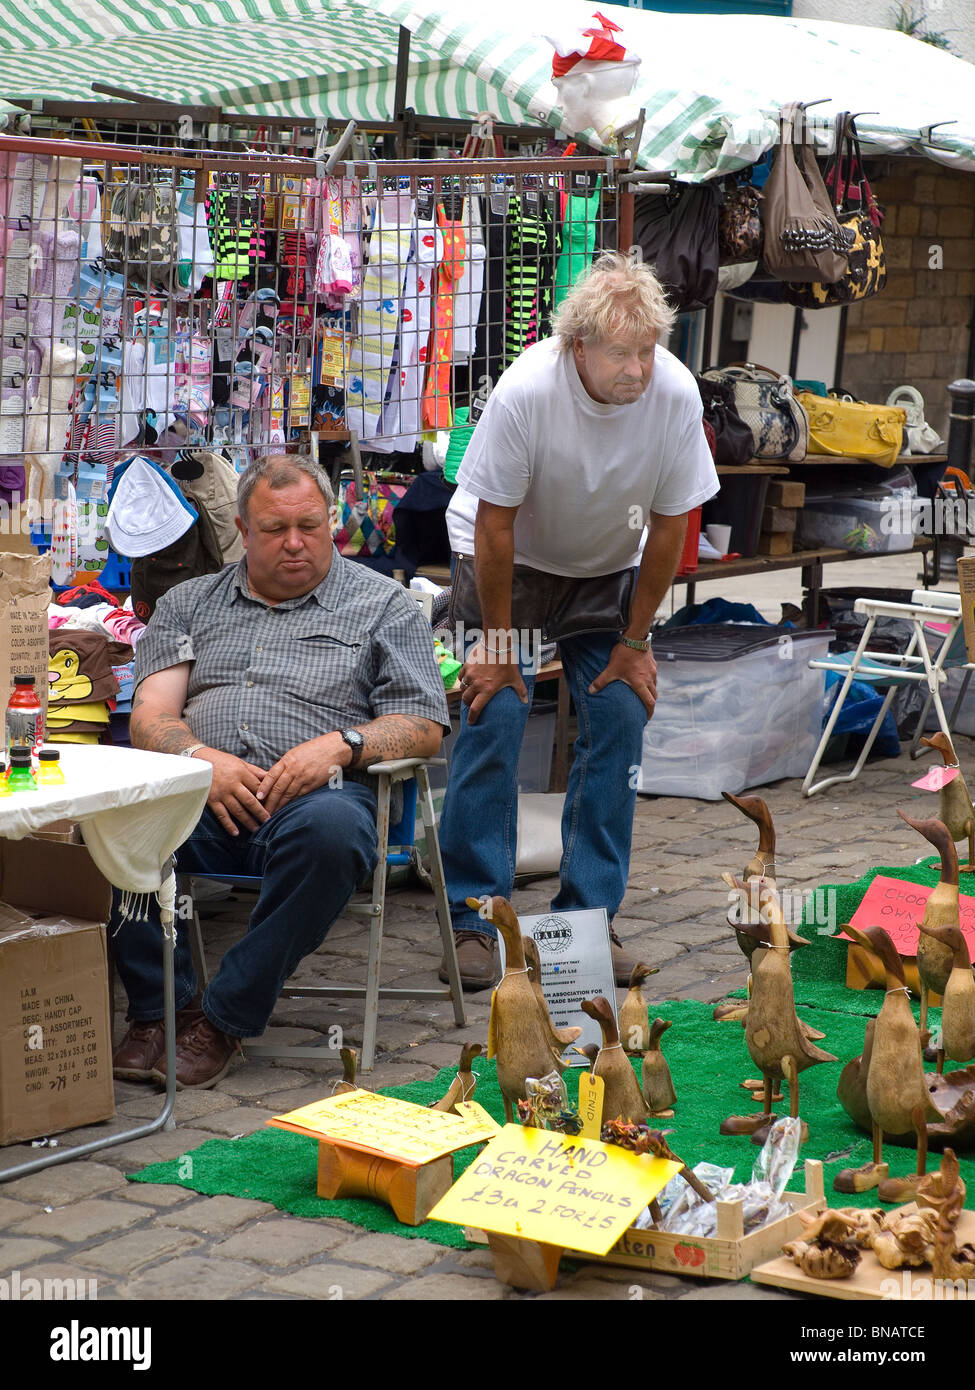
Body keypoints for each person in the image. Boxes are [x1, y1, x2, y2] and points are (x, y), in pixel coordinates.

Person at [111, 453, 449, 1089]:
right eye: (274, 529)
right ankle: (159, 1011)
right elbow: (152, 715)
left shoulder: (384, 605)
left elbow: (423, 724)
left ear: (331, 523)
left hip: (318, 800)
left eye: (310, 526)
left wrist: (343, 745)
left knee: (332, 836)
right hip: (200, 795)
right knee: (117, 823)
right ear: (243, 528)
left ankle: (224, 1017)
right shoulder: (188, 602)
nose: (295, 542)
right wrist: (198, 759)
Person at [438, 251, 720, 989]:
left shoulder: (674, 393)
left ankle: (584, 922)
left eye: (647, 350)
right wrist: (498, 645)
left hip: (604, 566)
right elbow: (494, 524)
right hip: (509, 561)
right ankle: (474, 917)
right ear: (578, 346)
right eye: (620, 353)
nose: (637, 369)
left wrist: (636, 642)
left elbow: (671, 524)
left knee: (621, 710)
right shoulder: (528, 389)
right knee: (496, 710)